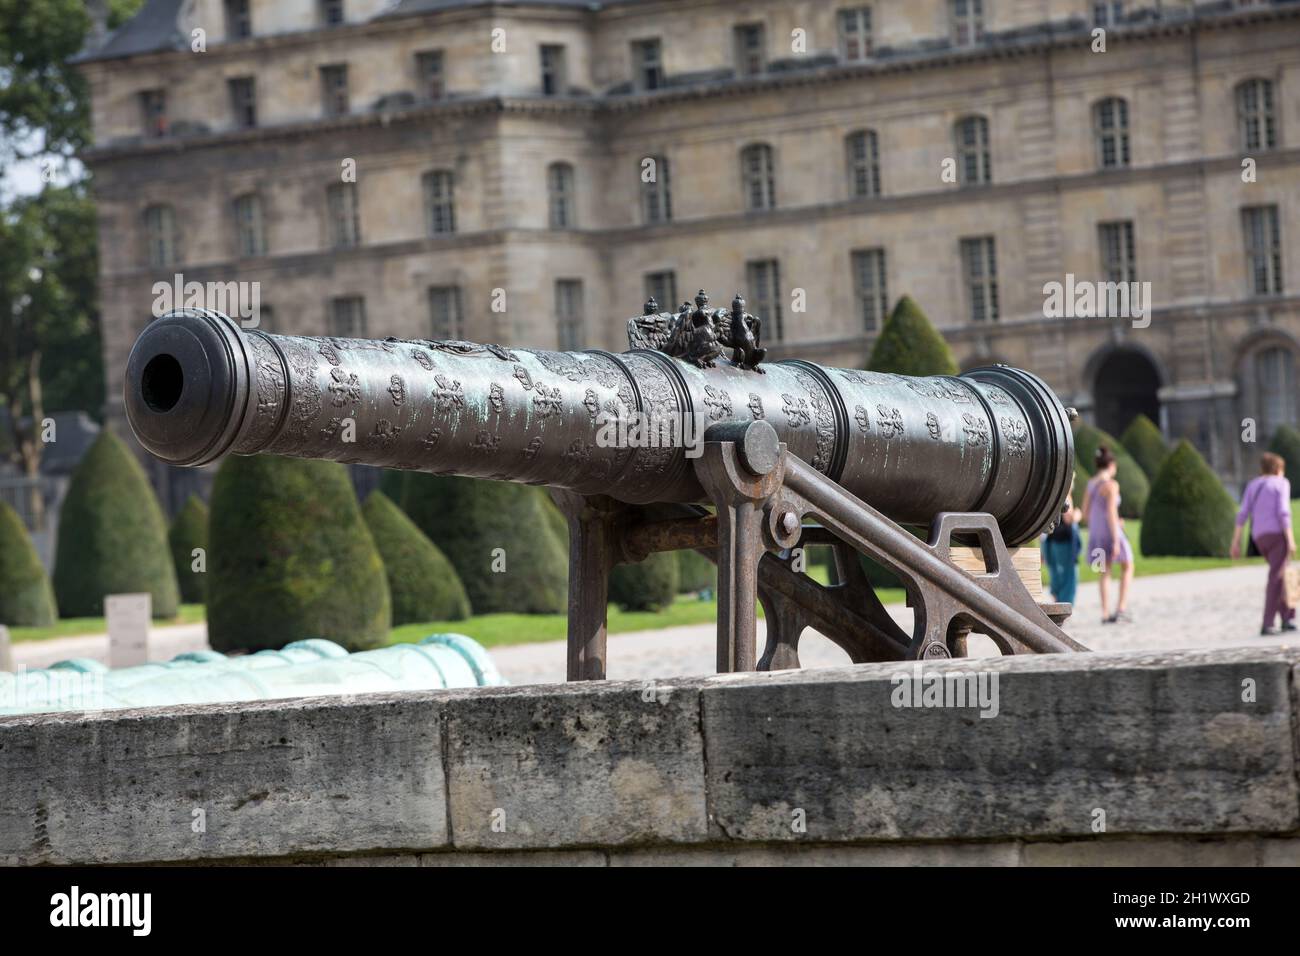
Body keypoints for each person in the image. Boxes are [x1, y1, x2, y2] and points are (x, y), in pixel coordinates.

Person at [1230, 452, 1296, 636]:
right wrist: (1290, 539)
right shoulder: (1281, 483)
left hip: (1259, 537)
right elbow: (1283, 512)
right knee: (1277, 575)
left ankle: (1287, 617)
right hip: (1277, 535)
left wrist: (1235, 542)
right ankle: (1268, 622)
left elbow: (1242, 514)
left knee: (1281, 573)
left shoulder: (1253, 484)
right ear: (1278, 469)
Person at [1080, 445, 1135, 623]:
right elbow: (1111, 511)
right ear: (1111, 465)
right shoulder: (1111, 485)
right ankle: (1121, 609)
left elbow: (1086, 513)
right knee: (1128, 565)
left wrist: (1097, 523)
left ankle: (1104, 613)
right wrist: (1116, 539)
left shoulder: (1091, 483)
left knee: (1103, 572)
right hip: (1111, 533)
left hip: (1096, 534)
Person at [1042, 493, 1082, 605]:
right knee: (1069, 577)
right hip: (1063, 541)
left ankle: (1057, 601)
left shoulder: (1052, 494)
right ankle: (1065, 605)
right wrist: (1078, 515)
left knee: (1056, 574)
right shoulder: (1066, 496)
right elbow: (1069, 518)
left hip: (1051, 540)